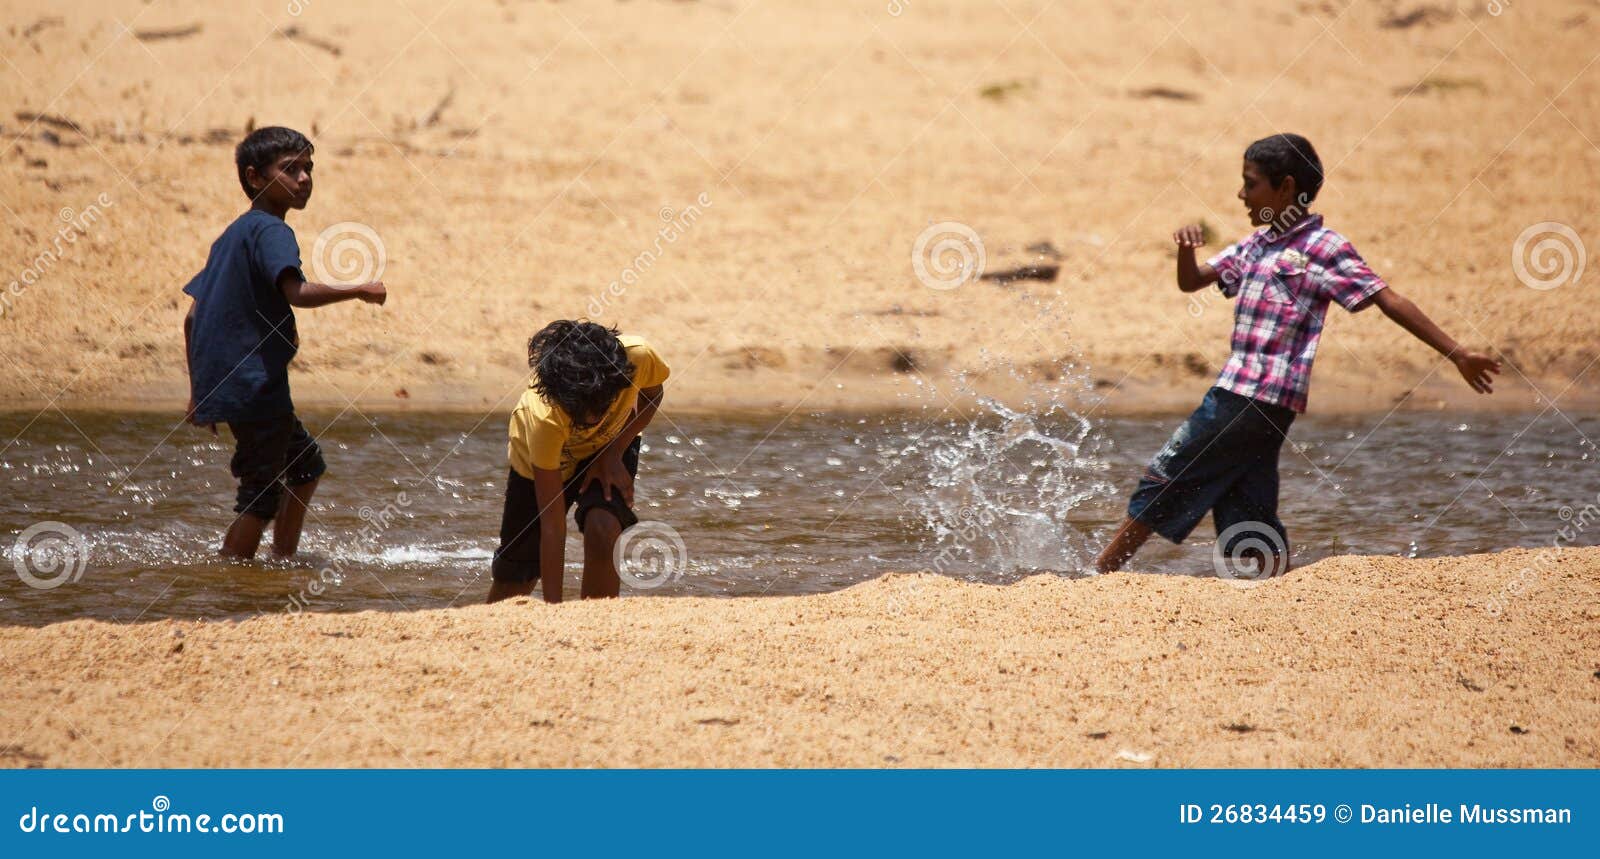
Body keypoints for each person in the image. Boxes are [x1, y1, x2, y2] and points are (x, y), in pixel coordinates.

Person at [1095, 133, 1501, 578]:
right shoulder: (1256, 245)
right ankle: (1279, 591)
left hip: (1248, 396)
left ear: (1285, 189)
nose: (1241, 194)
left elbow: (1388, 299)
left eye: (1250, 184)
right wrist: (1185, 252)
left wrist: (1457, 352)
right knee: (1246, 505)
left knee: (1167, 474)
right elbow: (1193, 282)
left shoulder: (1323, 248)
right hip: (1258, 403)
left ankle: (1100, 575)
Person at [183, 126, 386, 559]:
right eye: (290, 169)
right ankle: (234, 579)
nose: (304, 178)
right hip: (256, 385)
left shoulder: (233, 235)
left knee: (306, 467)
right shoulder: (272, 232)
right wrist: (357, 288)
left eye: (309, 168)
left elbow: (192, 317)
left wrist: (201, 390)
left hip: (239, 383)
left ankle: (282, 562)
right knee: (260, 495)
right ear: (255, 178)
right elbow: (297, 293)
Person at [488, 320, 669, 603]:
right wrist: (555, 611)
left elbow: (653, 395)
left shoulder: (638, 358)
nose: (592, 419)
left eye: (602, 403)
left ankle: (598, 626)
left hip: (612, 445)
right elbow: (553, 527)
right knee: (516, 576)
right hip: (543, 463)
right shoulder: (543, 420)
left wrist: (613, 452)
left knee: (603, 527)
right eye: (580, 409)